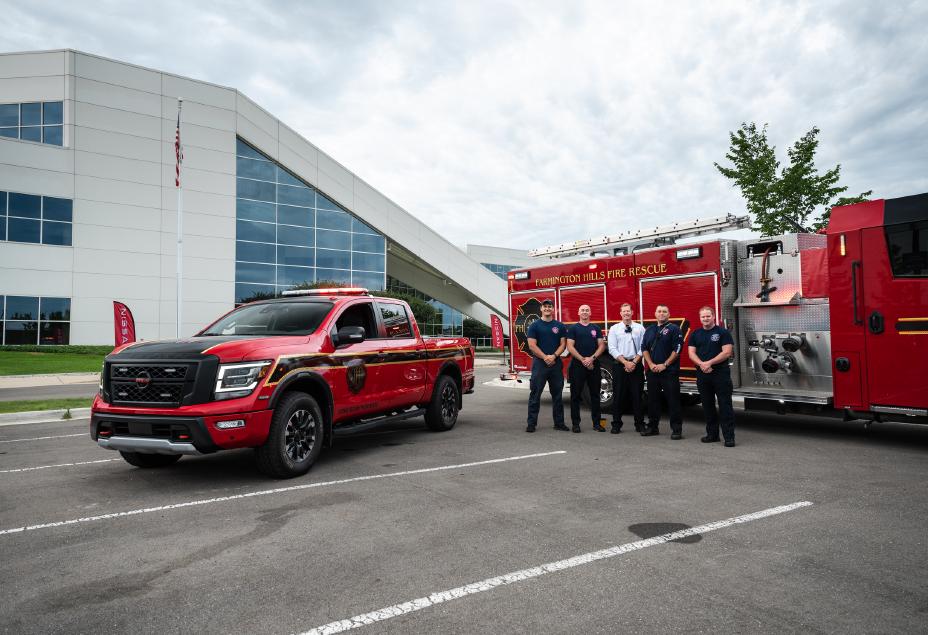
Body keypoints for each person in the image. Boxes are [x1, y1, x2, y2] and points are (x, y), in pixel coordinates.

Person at [687, 306, 736, 447]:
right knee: (707, 406)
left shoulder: (723, 332)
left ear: (713, 316)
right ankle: (712, 435)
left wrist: (709, 363)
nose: (705, 319)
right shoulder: (696, 334)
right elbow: (691, 353)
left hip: (720, 374)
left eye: (708, 316)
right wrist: (702, 364)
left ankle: (729, 437)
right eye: (703, 316)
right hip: (703, 374)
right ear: (700, 318)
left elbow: (727, 352)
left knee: (725, 405)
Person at [641, 304, 684, 439]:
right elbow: (644, 348)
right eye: (659, 311)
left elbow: (677, 349)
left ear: (669, 314)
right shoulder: (649, 330)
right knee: (653, 401)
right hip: (653, 371)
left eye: (664, 311)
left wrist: (665, 365)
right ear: (655, 314)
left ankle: (676, 429)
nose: (661, 314)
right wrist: (651, 364)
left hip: (669, 372)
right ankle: (653, 427)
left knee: (673, 401)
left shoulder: (674, 329)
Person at [525, 298, 568, 432]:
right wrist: (545, 357)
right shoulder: (534, 325)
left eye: (550, 307)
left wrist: (554, 356)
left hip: (555, 364)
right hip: (540, 364)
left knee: (557, 395)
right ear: (541, 309)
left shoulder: (559, 326)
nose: (547, 309)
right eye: (545, 307)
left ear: (553, 309)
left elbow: (563, 344)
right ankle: (531, 424)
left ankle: (559, 423)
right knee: (535, 394)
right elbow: (532, 345)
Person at [607, 303, 646, 434]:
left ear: (632, 312)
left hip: (636, 365)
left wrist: (634, 362)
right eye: (624, 311)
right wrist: (625, 362)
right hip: (620, 366)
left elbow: (643, 347)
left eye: (628, 311)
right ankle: (616, 424)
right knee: (618, 396)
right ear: (620, 313)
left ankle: (639, 424)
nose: (626, 313)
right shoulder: (614, 329)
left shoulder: (640, 328)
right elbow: (612, 348)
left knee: (637, 396)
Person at [566, 304, 607, 433]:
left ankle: (597, 423)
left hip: (593, 365)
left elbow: (601, 345)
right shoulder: (573, 328)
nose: (585, 312)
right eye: (582, 310)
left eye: (587, 310)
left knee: (595, 395)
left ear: (590, 313)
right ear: (578, 312)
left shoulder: (595, 328)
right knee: (575, 396)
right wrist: (583, 359)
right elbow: (570, 346)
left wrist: (592, 358)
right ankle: (575, 424)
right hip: (578, 365)